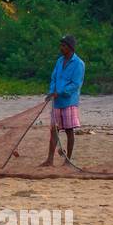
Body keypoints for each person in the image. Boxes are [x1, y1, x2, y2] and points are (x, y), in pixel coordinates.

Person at [42, 34, 85, 168]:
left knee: (68, 130)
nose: (61, 48)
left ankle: (68, 161)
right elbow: (53, 78)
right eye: (61, 45)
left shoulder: (79, 64)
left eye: (64, 46)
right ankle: (50, 160)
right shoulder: (60, 61)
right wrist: (51, 92)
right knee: (53, 130)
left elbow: (75, 84)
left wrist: (59, 92)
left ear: (70, 48)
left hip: (69, 102)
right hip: (56, 102)